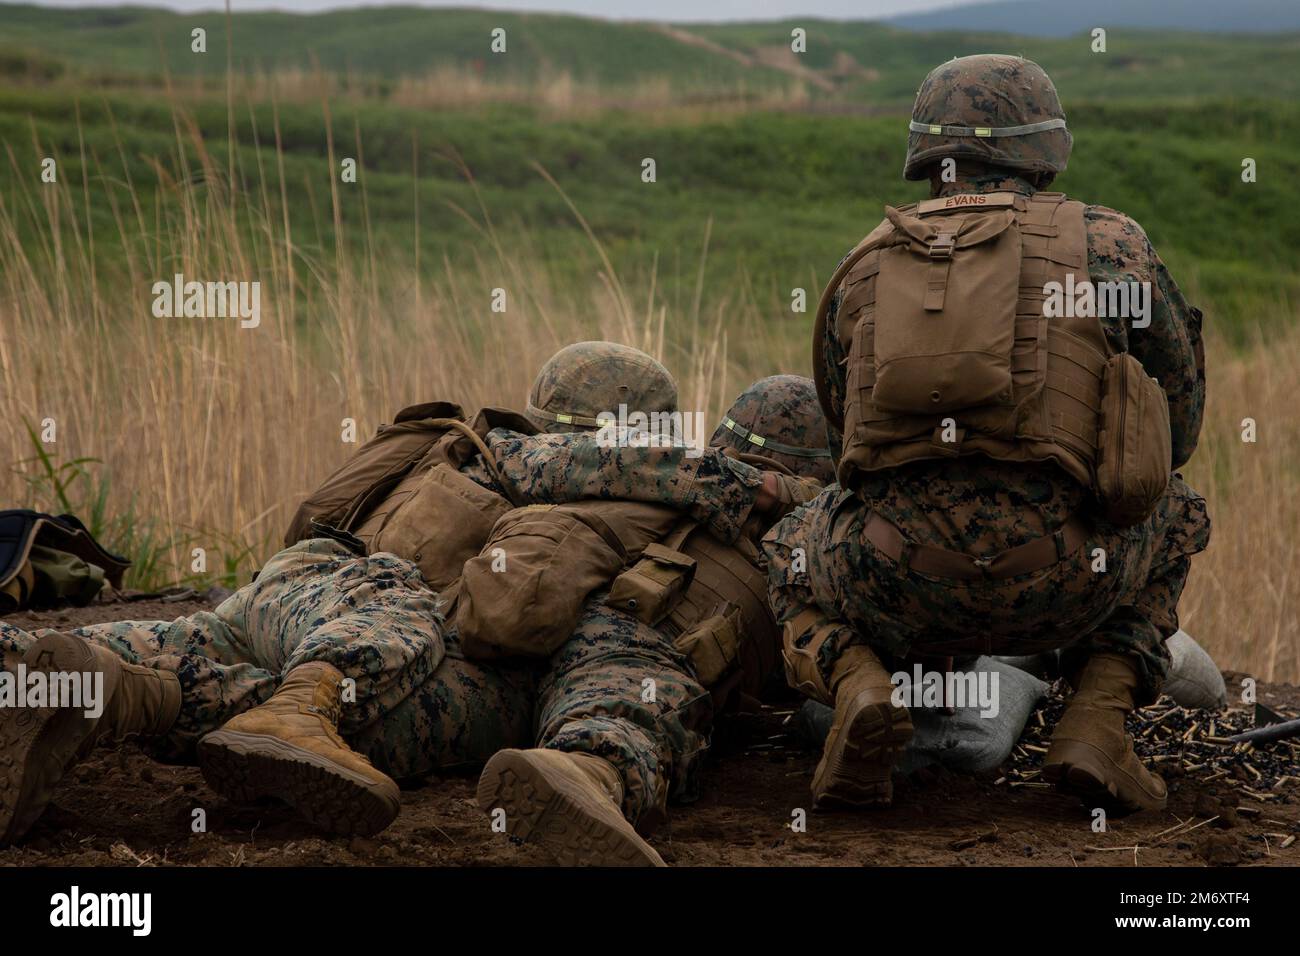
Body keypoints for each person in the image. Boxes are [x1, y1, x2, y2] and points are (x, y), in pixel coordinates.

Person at [1, 343, 801, 845]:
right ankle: (301, 706)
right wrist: (757, 488)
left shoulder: (461, 452)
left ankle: (94, 683)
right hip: (374, 613)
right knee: (381, 651)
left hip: (293, 587)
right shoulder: (572, 477)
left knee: (191, 644)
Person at [765, 54, 1210, 816]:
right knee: (1182, 511)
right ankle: (1098, 722)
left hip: (896, 580)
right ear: (1043, 145)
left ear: (929, 155)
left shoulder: (867, 259)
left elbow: (844, 452)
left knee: (788, 545)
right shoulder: (1112, 244)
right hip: (1069, 577)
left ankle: (861, 689)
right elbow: (1181, 428)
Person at [476, 375, 832, 865]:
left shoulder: (684, 479)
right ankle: (590, 773)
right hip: (638, 645)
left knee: (451, 710)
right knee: (628, 715)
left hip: (540, 622)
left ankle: (336, 709)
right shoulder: (812, 534)